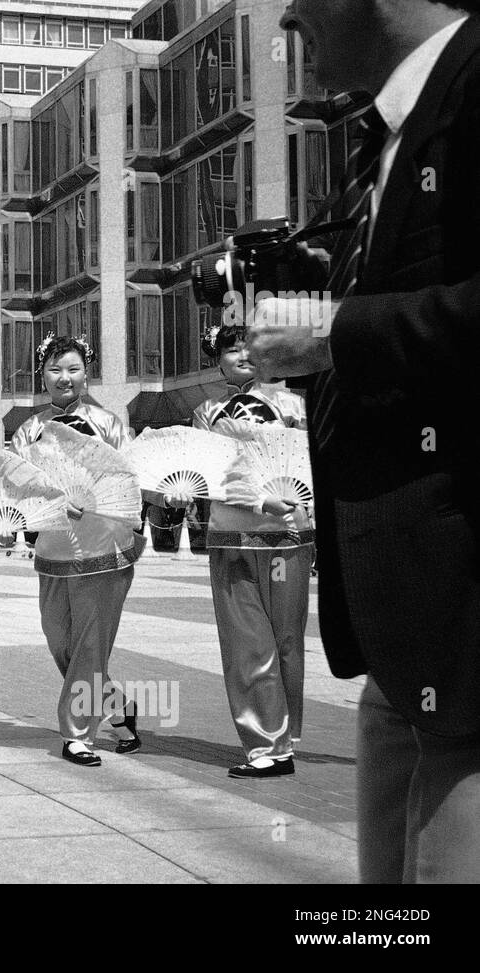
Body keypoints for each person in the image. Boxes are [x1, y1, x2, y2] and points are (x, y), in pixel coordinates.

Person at [248, 0, 480, 882]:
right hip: (405, 632)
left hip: (463, 632)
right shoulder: (386, 127)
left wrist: (336, 331)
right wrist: (318, 326)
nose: (289, 14)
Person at [11, 335, 142, 767]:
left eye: (72, 368)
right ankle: (118, 706)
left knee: (88, 645)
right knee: (60, 641)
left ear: (87, 373)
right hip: (52, 551)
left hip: (104, 550)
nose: (64, 377)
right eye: (54, 369)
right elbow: (15, 487)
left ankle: (78, 734)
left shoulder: (110, 425)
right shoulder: (28, 430)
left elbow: (131, 481)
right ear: (41, 375)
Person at [194, 325, 312, 779]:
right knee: (247, 643)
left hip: (290, 536)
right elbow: (210, 472)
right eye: (229, 348)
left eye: (249, 345)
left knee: (286, 641)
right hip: (232, 536)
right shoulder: (206, 413)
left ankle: (285, 738)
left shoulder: (293, 406)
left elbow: (311, 465)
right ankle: (264, 742)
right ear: (216, 360)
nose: (241, 353)